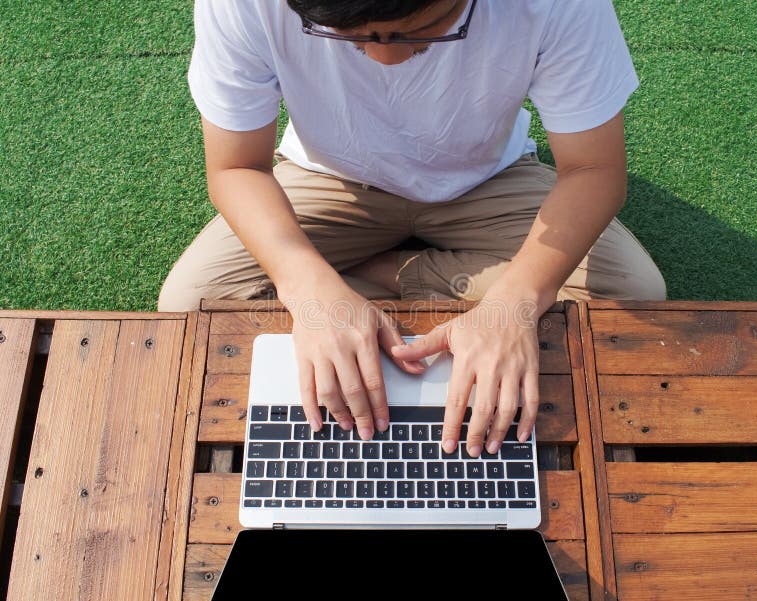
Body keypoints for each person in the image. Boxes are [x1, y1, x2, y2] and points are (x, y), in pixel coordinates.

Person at [159, 0, 666, 457]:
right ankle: (358, 289)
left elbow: (593, 172)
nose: (385, 61)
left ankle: (384, 273)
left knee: (632, 292)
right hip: (329, 177)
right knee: (190, 303)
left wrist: (514, 305)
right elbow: (238, 168)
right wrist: (309, 289)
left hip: (490, 179)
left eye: (417, 31)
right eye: (348, 35)